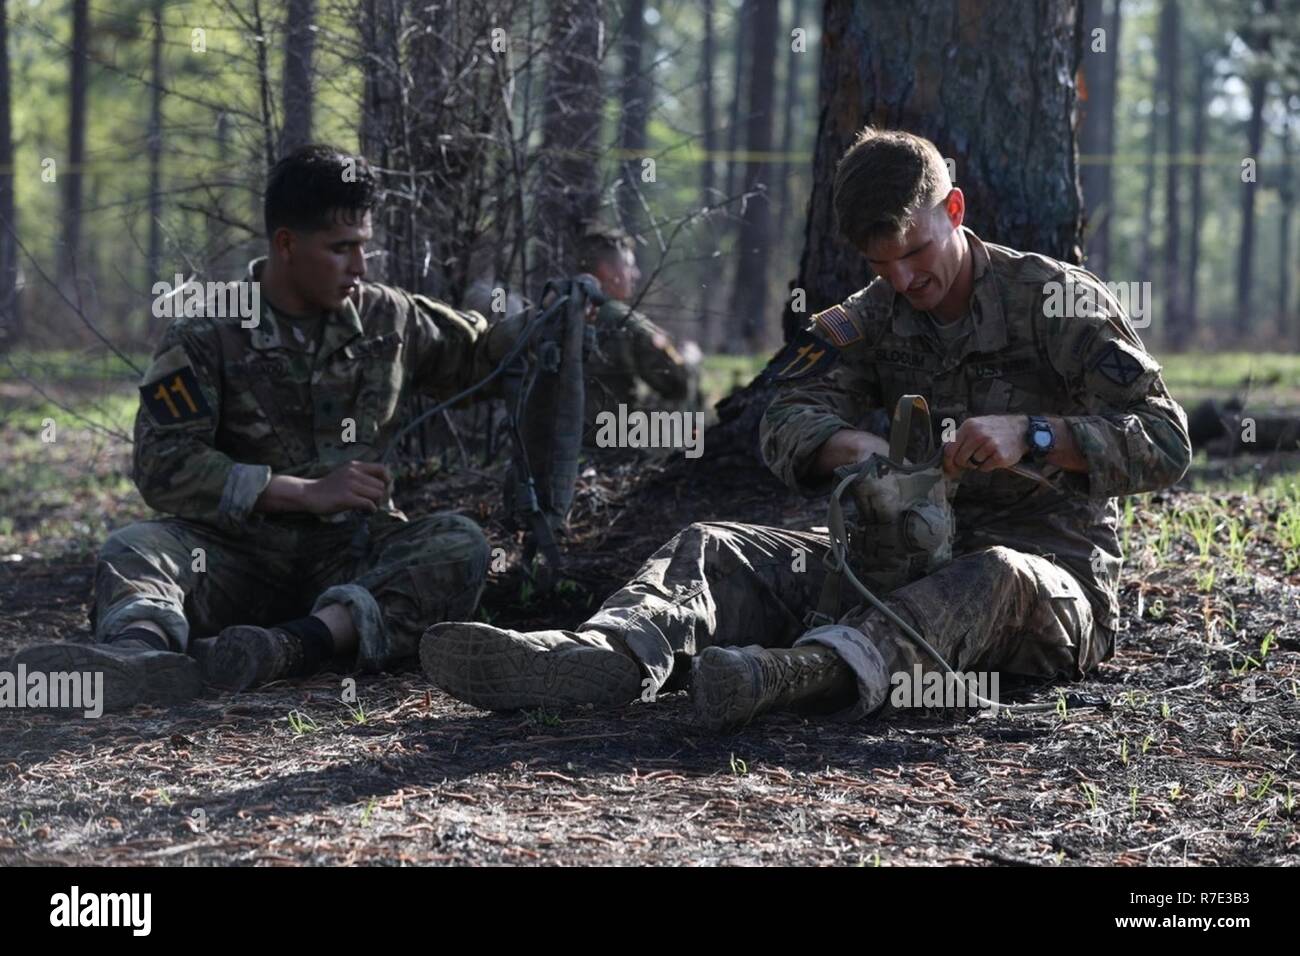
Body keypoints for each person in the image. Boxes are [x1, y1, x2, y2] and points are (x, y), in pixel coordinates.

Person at [420, 126, 1191, 733]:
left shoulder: (1053, 300)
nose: (904, 283)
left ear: (953, 212)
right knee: (713, 546)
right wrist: (854, 448)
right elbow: (782, 414)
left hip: (1049, 588)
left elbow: (1166, 439)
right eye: (881, 266)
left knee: (994, 571)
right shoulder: (872, 313)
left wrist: (1036, 434)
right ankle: (601, 657)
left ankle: (801, 677)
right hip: (898, 569)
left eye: (917, 256)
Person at [11, 145, 527, 711]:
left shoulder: (389, 316)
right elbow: (162, 465)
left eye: (364, 247)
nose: (359, 266)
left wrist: (550, 323)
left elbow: (484, 356)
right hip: (237, 558)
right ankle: (140, 659)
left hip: (351, 554)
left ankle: (288, 648)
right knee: (135, 547)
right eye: (341, 249)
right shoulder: (209, 331)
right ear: (286, 244)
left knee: (459, 544)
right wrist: (300, 492)